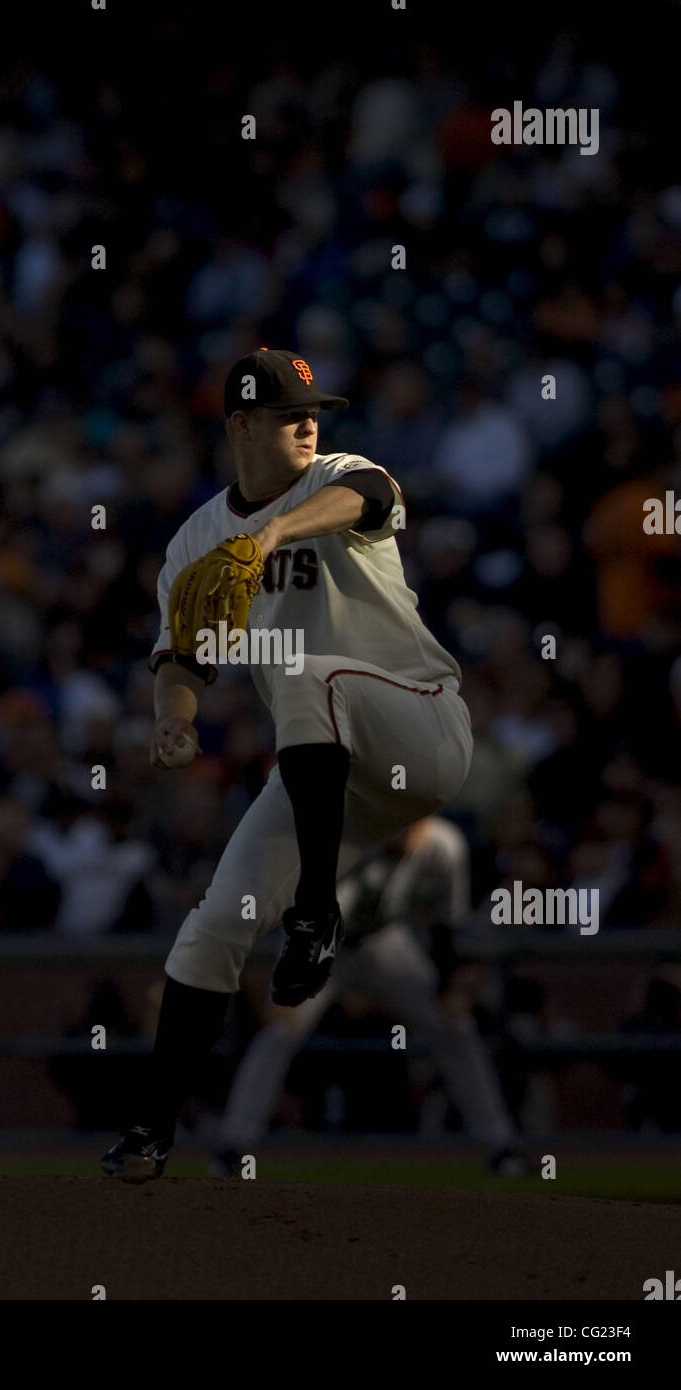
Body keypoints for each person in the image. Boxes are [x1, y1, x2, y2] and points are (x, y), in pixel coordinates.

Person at [103, 349, 473, 1182]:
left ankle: (314, 914)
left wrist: (269, 531)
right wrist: (171, 720)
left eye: (312, 409)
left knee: (309, 671)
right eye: (284, 413)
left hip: (420, 724)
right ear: (238, 425)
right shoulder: (197, 537)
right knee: (211, 926)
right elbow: (184, 659)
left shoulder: (338, 473)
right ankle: (151, 1132)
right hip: (328, 774)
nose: (307, 422)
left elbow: (369, 497)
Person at [208, 817, 532, 1178]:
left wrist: (449, 987)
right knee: (280, 1032)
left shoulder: (444, 846)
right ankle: (232, 1147)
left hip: (385, 943)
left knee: (455, 1028)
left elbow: (446, 927)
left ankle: (501, 1145)